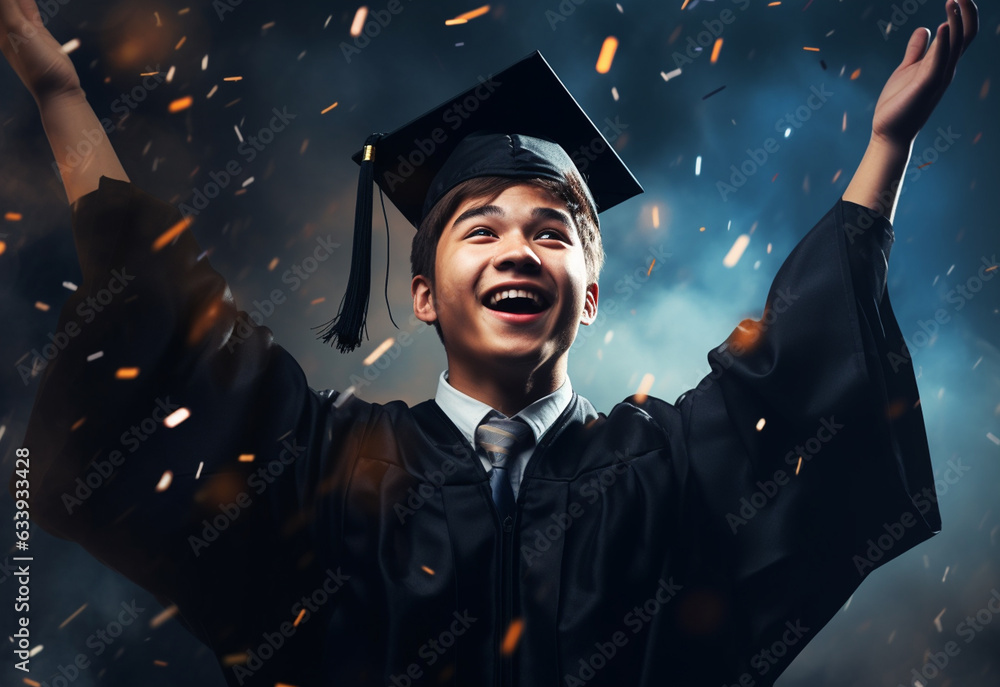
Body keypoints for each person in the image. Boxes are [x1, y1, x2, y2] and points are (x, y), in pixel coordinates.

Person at [3, 0, 979, 685]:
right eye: (481, 228)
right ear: (423, 294)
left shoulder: (669, 470)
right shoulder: (325, 468)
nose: (519, 248)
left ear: (588, 295)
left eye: (552, 231)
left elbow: (803, 371)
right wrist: (59, 96)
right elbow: (167, 307)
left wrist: (883, 150)